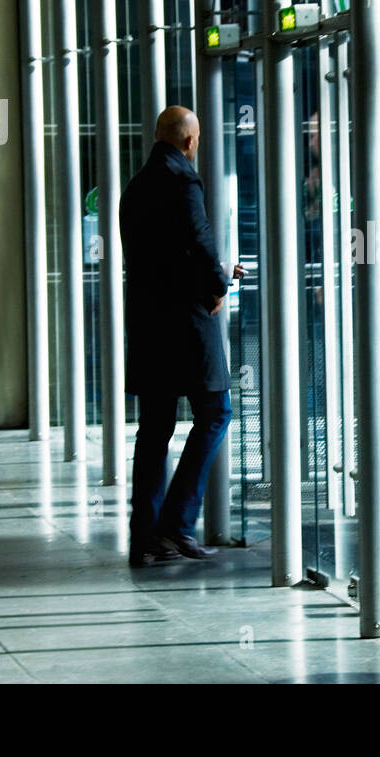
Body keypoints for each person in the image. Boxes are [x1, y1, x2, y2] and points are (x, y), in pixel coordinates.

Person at [119, 106, 245, 568]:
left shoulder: (134, 188)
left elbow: (162, 255)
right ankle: (176, 523)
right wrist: (218, 283)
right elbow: (199, 238)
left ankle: (145, 538)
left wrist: (208, 272)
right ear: (189, 141)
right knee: (216, 411)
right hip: (187, 324)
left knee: (155, 428)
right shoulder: (183, 179)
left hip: (149, 328)